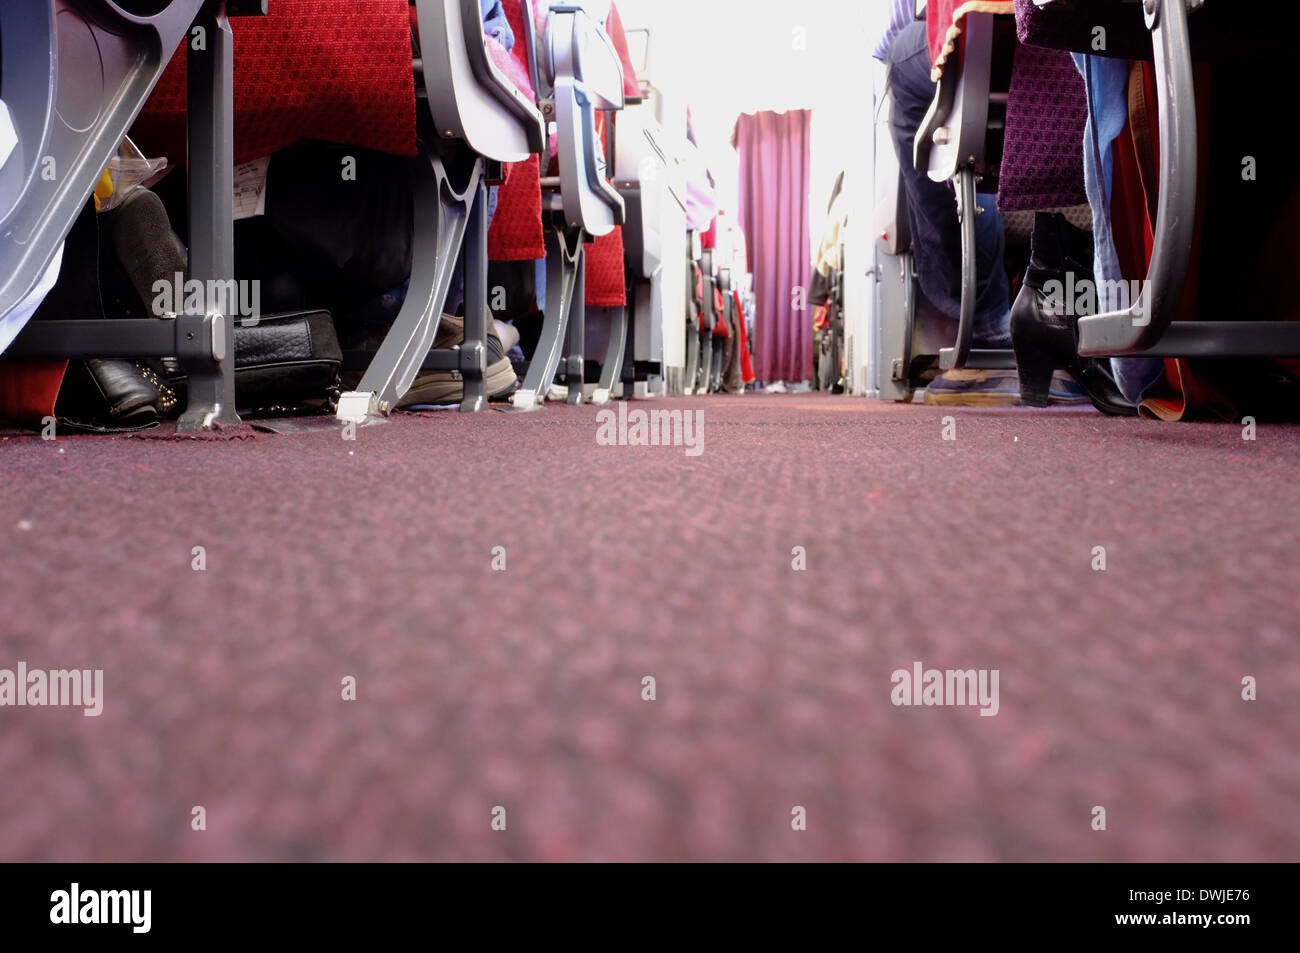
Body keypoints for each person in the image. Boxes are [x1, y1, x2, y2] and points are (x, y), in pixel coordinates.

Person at [878, 6, 1087, 406]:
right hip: (1074, 41)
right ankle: (1065, 318)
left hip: (987, 32)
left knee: (909, 69)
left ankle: (987, 327)